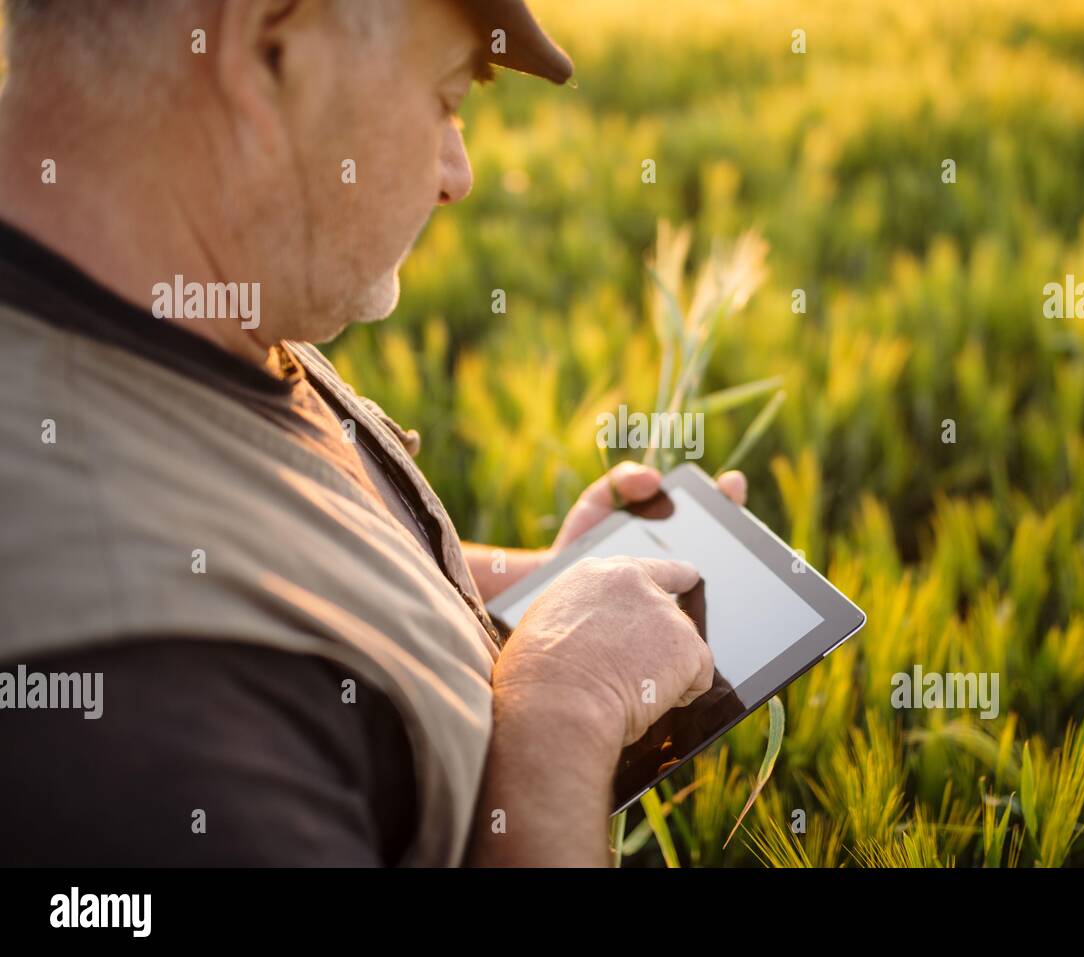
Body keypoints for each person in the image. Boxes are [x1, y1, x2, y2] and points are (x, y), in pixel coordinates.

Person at [0, 0, 747, 866]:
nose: (457, 172)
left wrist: (523, 597)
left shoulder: (178, 311)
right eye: (447, 99)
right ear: (270, 48)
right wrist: (558, 720)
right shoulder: (147, 713)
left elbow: (278, 560)